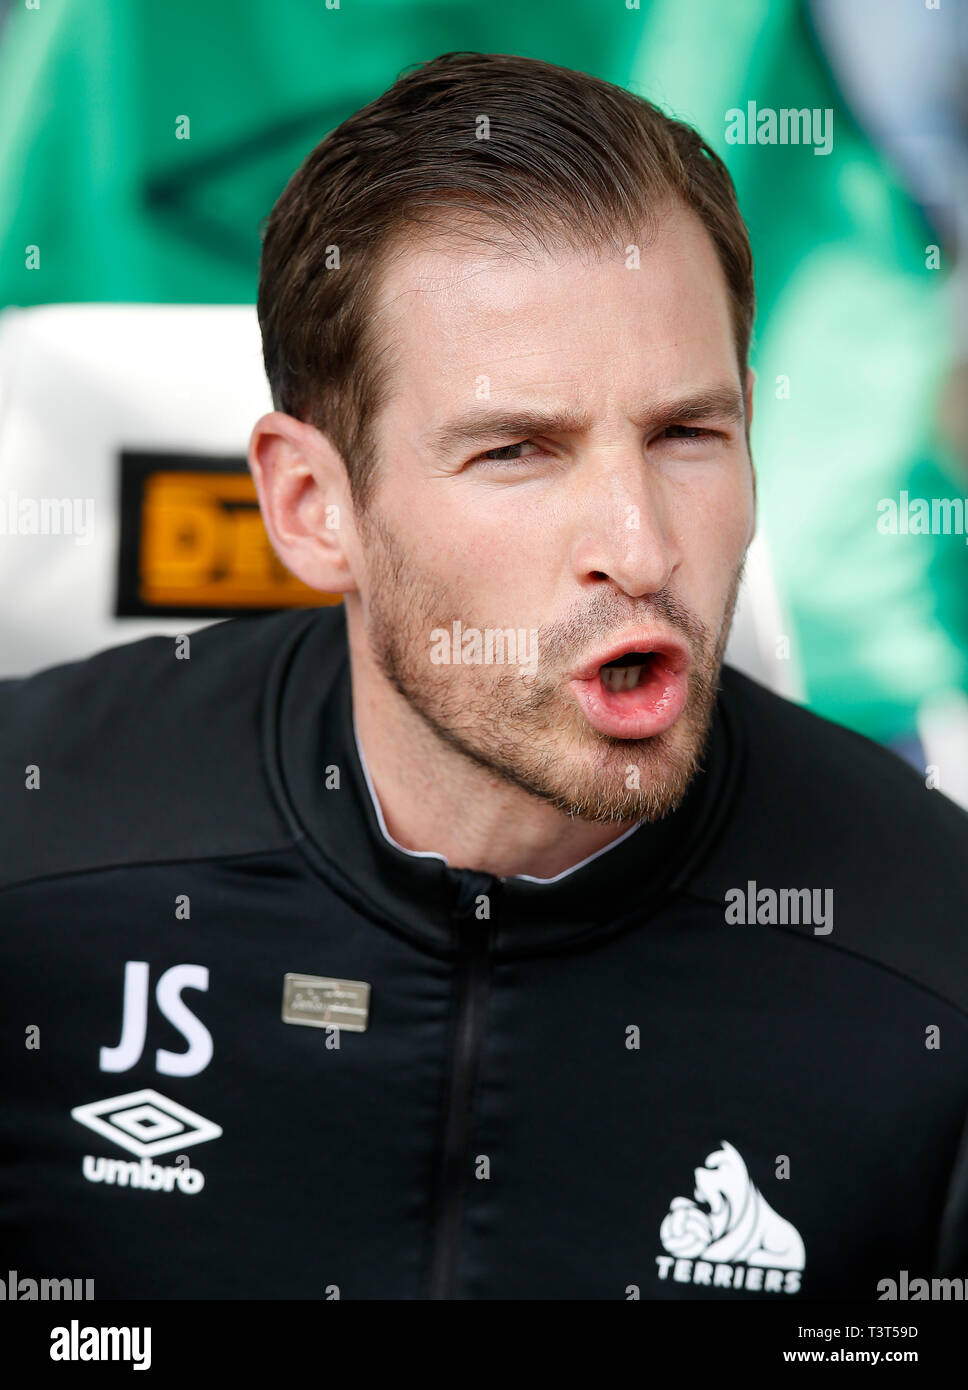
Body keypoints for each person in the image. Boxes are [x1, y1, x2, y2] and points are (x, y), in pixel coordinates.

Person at [1, 51, 966, 1301]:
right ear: (310, 505)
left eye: (687, 433)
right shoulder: (30, 857)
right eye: (517, 450)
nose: (638, 546)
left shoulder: (933, 957)